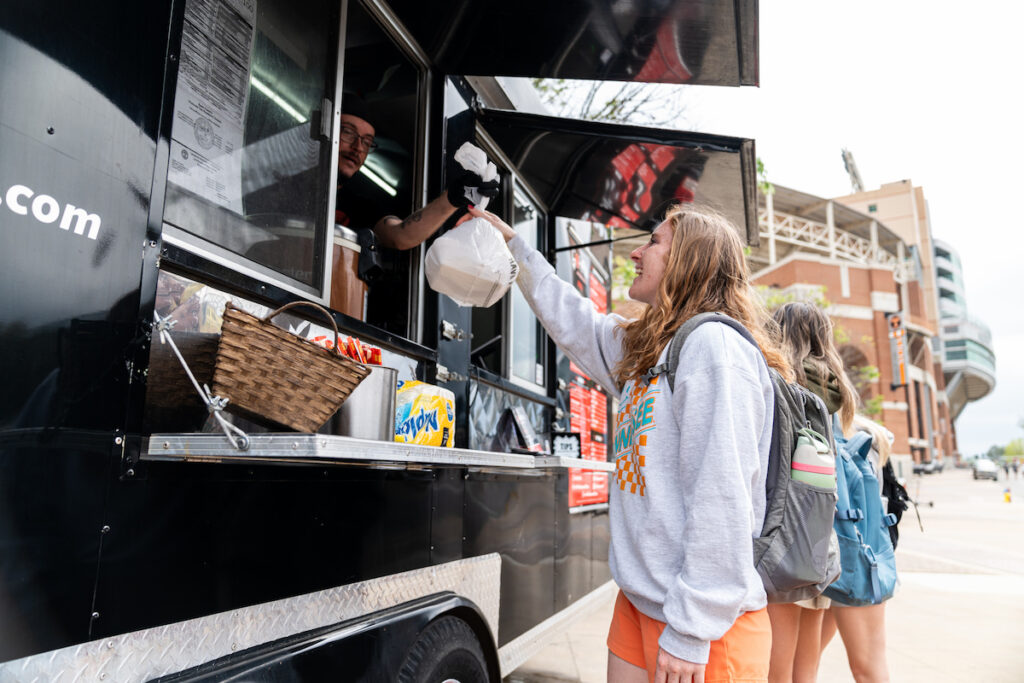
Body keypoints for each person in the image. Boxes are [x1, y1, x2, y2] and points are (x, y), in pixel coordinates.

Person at [469, 203, 791, 683]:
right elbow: (576, 321)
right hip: (641, 603)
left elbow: (722, 496)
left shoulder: (714, 349)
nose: (636, 253)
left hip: (704, 627)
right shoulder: (653, 349)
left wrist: (691, 630)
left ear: (690, 260)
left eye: (654, 242)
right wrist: (516, 247)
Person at [766, 302, 857, 683]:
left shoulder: (780, 386)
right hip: (821, 541)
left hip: (785, 539)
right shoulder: (834, 390)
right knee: (805, 670)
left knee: (775, 668)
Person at [335, 113, 496, 250]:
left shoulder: (360, 207)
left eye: (367, 142)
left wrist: (454, 197)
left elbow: (401, 237)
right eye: (348, 132)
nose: (358, 147)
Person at [818, 414, 896, 683]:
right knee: (867, 667)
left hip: (832, 555)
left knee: (867, 669)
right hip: (857, 554)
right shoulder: (869, 434)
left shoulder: (856, 434)